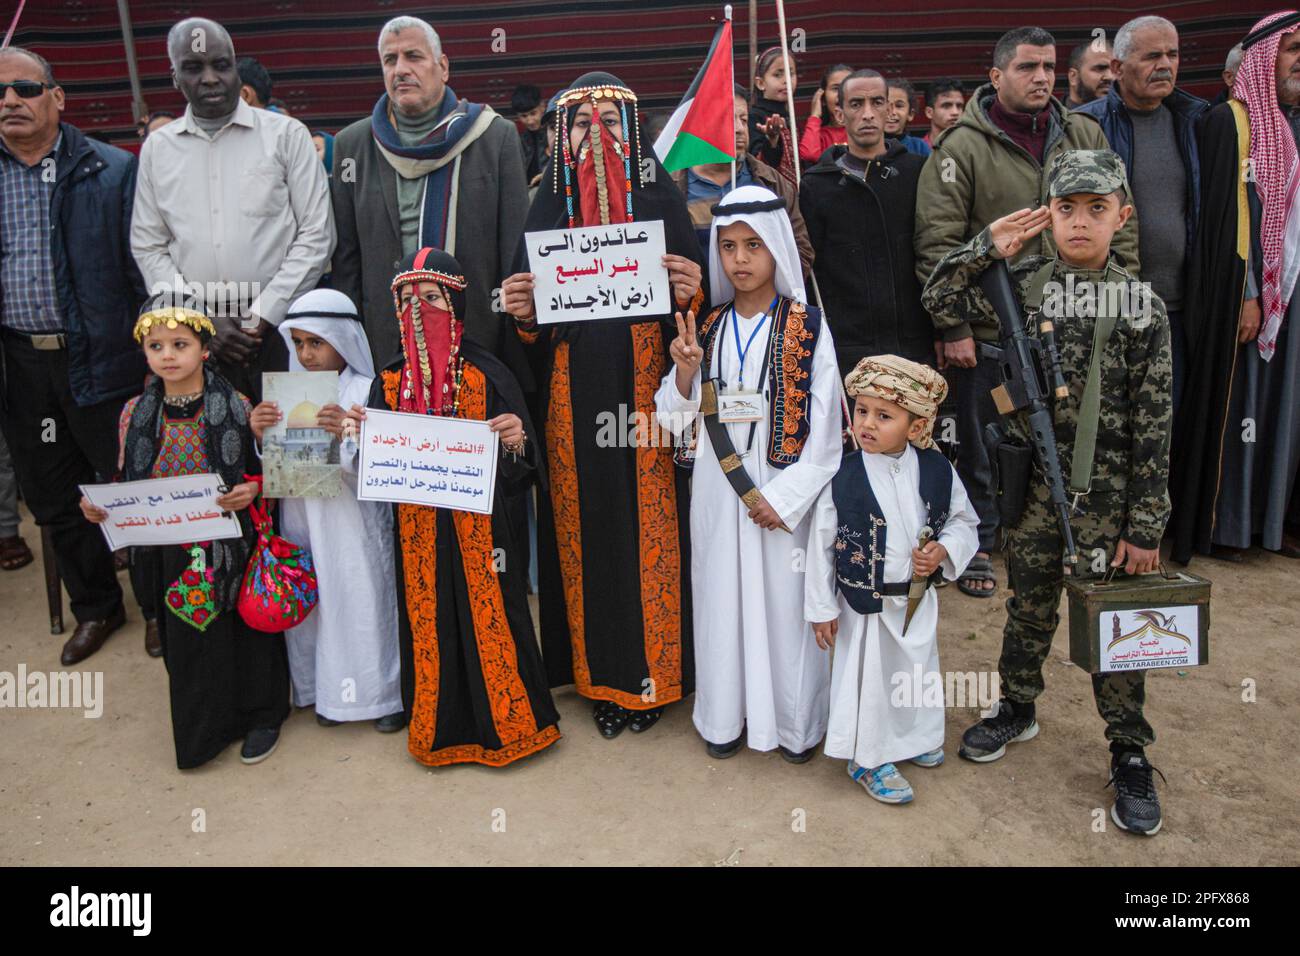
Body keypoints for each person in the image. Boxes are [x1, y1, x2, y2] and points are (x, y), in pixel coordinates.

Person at [924, 149, 1172, 836]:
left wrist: (1146, 526)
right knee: (1027, 608)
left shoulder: (1142, 306)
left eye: (1098, 209)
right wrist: (987, 246)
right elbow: (940, 298)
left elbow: (1158, 426)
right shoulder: (1024, 283)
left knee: (1115, 630)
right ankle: (1017, 708)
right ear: (1049, 216)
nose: (1081, 223)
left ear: (1122, 215)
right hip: (1037, 490)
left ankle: (1128, 748)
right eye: (1067, 209)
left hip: (1111, 498)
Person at [501, 71, 703, 739]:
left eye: (612, 122)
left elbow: (700, 310)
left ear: (634, 131)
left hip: (650, 392)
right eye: (583, 123)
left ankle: (656, 677)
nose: (598, 135)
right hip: (572, 397)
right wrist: (524, 315)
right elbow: (520, 335)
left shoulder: (661, 199)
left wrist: (691, 290)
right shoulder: (545, 208)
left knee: (651, 531)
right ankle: (599, 681)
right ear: (562, 136)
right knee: (587, 531)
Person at [915, 25, 1139, 599]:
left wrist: (1123, 301)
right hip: (996, 333)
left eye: (1047, 67)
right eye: (1025, 68)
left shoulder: (1083, 132)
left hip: (1080, 323)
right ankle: (982, 543)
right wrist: (956, 326)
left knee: (1070, 438)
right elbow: (939, 245)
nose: (1040, 77)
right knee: (990, 443)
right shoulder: (961, 148)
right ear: (996, 77)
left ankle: (1055, 537)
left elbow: (1122, 224)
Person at [344, 248, 560, 767]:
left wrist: (513, 441)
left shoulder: (488, 375)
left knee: (491, 616)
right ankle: (438, 731)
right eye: (409, 299)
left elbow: (526, 462)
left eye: (433, 298)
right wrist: (357, 436)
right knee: (430, 618)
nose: (421, 311)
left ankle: (510, 727)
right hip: (418, 531)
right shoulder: (389, 383)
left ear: (457, 304)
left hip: (484, 532)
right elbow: (378, 469)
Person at [655, 185, 841, 761]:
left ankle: (794, 727)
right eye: (729, 246)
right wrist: (684, 375)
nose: (739, 259)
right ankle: (724, 720)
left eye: (754, 246)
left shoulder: (809, 326)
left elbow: (829, 428)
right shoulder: (703, 328)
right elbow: (669, 418)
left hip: (783, 500)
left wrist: (782, 500)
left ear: (778, 250)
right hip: (717, 492)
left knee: (785, 610)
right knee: (720, 604)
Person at [82, 301, 290, 768]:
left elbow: (264, 474)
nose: (168, 356)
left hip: (232, 547)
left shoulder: (237, 406)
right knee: (192, 639)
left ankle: (262, 716)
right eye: (156, 346)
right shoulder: (134, 414)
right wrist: (100, 508)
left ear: (203, 350)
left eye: (180, 345)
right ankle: (207, 726)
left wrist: (249, 491)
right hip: (172, 553)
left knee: (243, 631)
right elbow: (125, 486)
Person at [0, 46, 150, 660]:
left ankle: (160, 608)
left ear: (57, 97)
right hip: (24, 369)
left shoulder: (111, 170)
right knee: (56, 495)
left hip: (103, 361)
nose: (9, 101)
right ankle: (97, 608)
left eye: (24, 89)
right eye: (0, 94)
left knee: (126, 487)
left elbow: (141, 272)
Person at [131, 17, 335, 403]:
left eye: (220, 65)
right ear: (175, 77)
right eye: (194, 68)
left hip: (285, 332)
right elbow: (149, 246)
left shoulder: (286, 135)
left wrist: (263, 314)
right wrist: (200, 320)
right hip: (194, 340)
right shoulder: (158, 150)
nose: (210, 78)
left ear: (235, 69)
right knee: (210, 454)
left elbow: (317, 233)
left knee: (290, 454)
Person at [806, 355, 978, 803]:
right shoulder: (843, 475)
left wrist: (944, 550)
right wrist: (822, 607)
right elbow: (821, 545)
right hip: (865, 605)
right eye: (862, 411)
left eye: (884, 416)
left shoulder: (938, 469)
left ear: (917, 425)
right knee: (869, 681)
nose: (867, 424)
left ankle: (914, 739)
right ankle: (867, 758)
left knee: (916, 672)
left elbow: (963, 521)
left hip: (916, 599)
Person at [331, 16, 529, 373]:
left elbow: (514, 251)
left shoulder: (493, 137)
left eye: (413, 57)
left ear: (443, 66)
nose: (401, 69)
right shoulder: (353, 146)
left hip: (476, 342)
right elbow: (347, 262)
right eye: (390, 60)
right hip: (386, 347)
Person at [1172, 11, 1300, 563]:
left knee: (1284, 413)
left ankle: (1275, 523)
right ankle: (1230, 525)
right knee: (1241, 409)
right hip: (1245, 295)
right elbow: (1227, 218)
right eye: (1293, 49)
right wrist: (1248, 292)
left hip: (1292, 294)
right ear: (1264, 57)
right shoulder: (1231, 122)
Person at [248, 289, 404, 732]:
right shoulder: (288, 391)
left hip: (352, 521)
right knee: (317, 604)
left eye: (316, 342)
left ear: (343, 339)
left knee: (361, 601)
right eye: (298, 343)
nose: (306, 353)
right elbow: (277, 466)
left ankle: (380, 697)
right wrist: (261, 436)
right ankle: (326, 693)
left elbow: (384, 465)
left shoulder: (367, 389)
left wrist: (348, 438)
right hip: (303, 519)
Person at [1076, 16, 1207, 413]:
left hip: (1181, 312)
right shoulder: (1087, 125)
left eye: (1173, 54)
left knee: (1174, 429)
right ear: (1116, 68)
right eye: (1152, 56)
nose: (1165, 65)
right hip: (1111, 310)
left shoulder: (1195, 121)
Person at [801, 70, 933, 377]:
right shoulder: (817, 184)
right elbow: (812, 273)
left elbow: (933, 251)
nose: (868, 114)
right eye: (857, 104)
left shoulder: (917, 171)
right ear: (840, 112)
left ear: (890, 109)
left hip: (913, 343)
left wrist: (946, 331)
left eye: (877, 102)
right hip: (847, 347)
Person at [671, 85, 813, 275]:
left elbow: (800, 251)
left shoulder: (771, 183)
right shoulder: (671, 188)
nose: (739, 129)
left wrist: (759, 291)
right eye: (727, 120)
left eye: (743, 120)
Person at [749, 46, 798, 185]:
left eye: (791, 74)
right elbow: (757, 163)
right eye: (778, 74)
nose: (786, 80)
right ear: (760, 83)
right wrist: (771, 140)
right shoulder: (755, 117)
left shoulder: (791, 117)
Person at [799, 63, 851, 163]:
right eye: (836, 88)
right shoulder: (820, 135)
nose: (841, 94)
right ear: (823, 98)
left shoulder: (863, 130)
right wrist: (815, 116)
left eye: (848, 87)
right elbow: (809, 155)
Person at [511, 83, 548, 186]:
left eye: (533, 113)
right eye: (524, 116)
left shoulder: (556, 135)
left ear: (543, 106)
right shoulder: (519, 141)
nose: (530, 121)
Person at [883, 77, 930, 155]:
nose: (892, 112)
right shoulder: (867, 145)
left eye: (899, 106)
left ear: (910, 114)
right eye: (886, 105)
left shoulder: (919, 147)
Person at [1065, 39, 1114, 109]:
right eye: (1100, 68)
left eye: (1115, 70)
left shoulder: (1127, 117)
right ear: (1073, 77)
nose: (1110, 77)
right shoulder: (1051, 118)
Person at [923, 77, 964, 146]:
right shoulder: (917, 151)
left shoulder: (972, 149)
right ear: (929, 112)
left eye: (959, 106)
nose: (955, 112)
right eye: (946, 106)